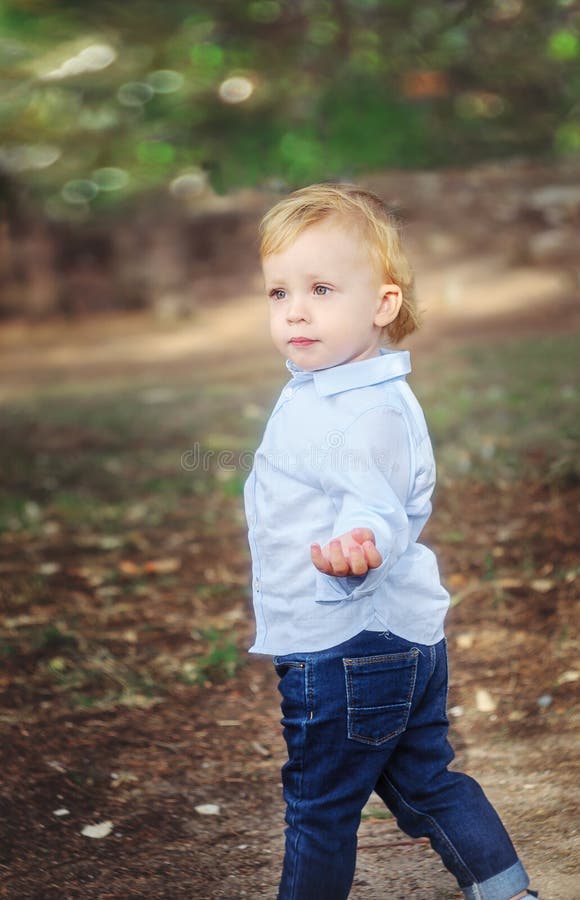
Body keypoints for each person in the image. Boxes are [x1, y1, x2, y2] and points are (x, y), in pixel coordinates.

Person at [243, 183, 537, 900]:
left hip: (346, 646)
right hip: (397, 641)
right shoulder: (335, 385)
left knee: (320, 810)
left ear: (382, 304)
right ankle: (507, 892)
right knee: (429, 783)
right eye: (279, 293)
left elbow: (377, 507)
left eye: (319, 288)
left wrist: (361, 543)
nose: (296, 311)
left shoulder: (362, 412)